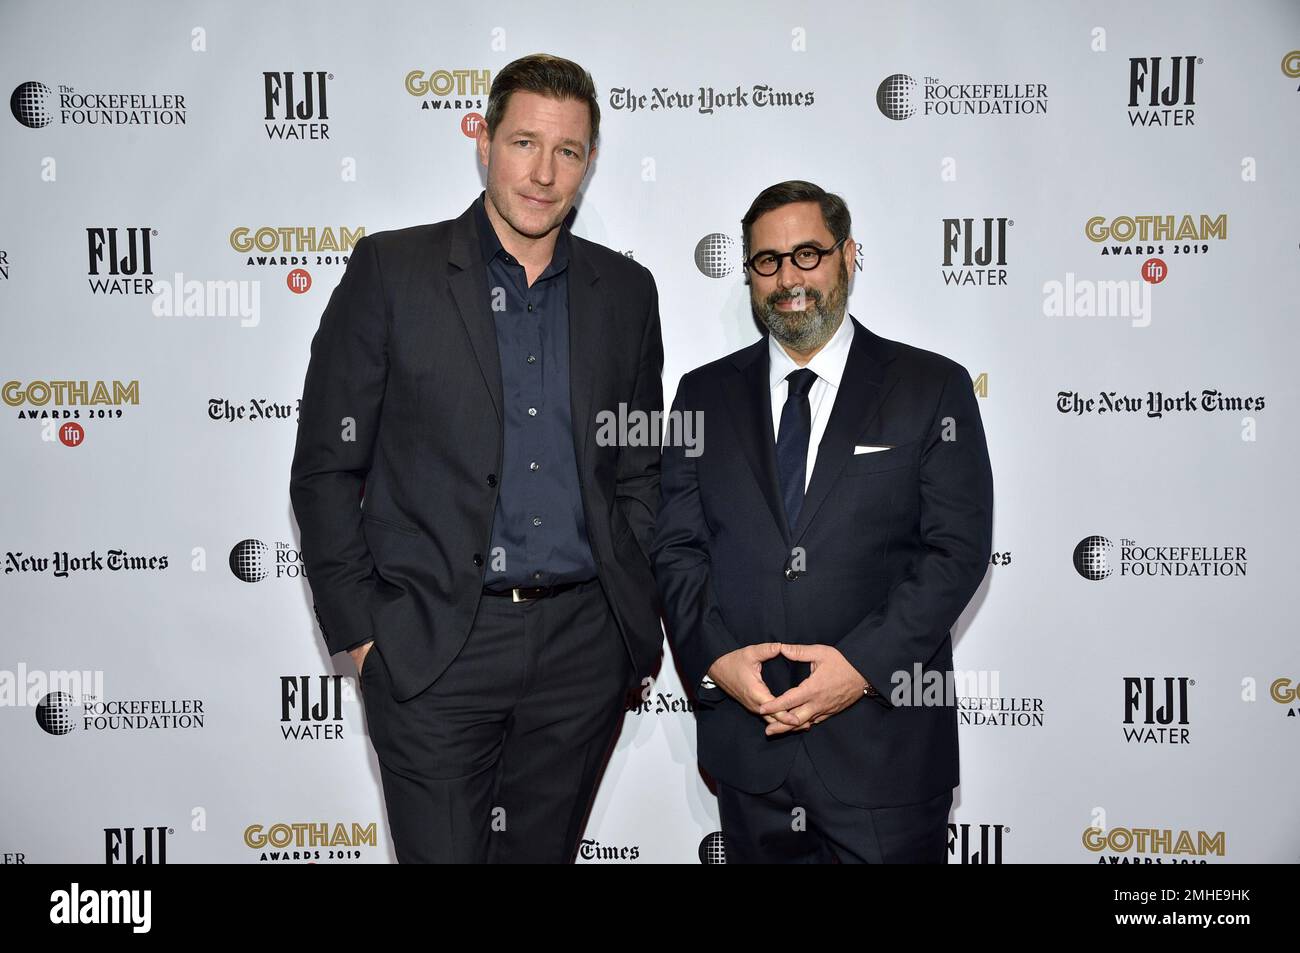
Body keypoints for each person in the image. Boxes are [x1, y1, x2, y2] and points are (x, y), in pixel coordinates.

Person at [289, 53, 664, 863]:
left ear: (590, 162)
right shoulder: (393, 272)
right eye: (524, 142)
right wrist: (362, 636)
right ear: (483, 141)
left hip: (581, 650)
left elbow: (638, 465)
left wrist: (616, 618)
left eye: (568, 151)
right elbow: (326, 467)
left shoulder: (626, 293)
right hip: (434, 648)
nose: (543, 171)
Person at [652, 180, 993, 863]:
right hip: (752, 758)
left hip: (886, 757)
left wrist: (860, 668)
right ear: (749, 273)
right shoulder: (702, 394)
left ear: (848, 256)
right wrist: (715, 658)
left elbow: (956, 551)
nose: (789, 278)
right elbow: (675, 549)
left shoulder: (931, 387)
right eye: (768, 261)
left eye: (808, 254)